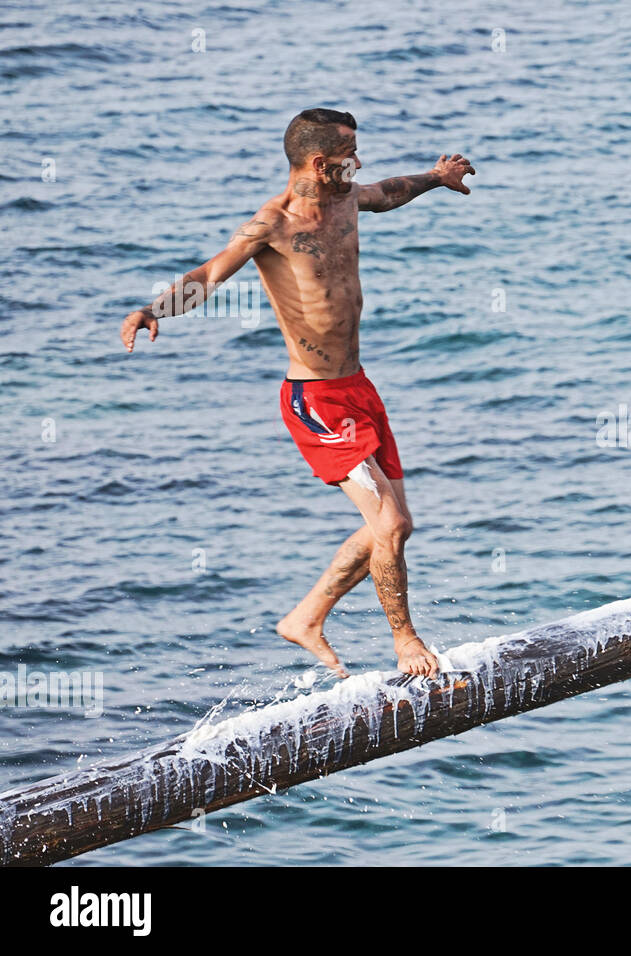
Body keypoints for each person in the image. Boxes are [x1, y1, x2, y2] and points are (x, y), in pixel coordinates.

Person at [119, 107, 475, 679]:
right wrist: (150, 310)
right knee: (386, 524)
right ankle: (405, 641)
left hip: (359, 388)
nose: (357, 162)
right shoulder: (273, 224)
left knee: (398, 523)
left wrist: (437, 178)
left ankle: (307, 617)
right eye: (348, 152)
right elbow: (208, 277)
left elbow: (387, 192)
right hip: (315, 400)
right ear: (317, 161)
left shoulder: (347, 201)